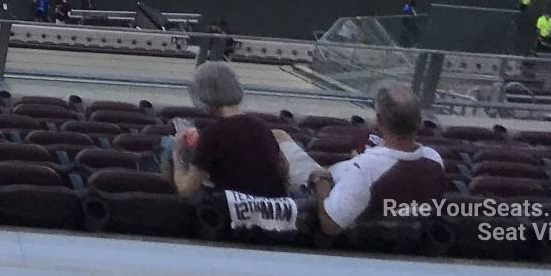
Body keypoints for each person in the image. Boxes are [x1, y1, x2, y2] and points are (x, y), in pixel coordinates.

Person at [312, 85, 447, 234]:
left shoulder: (364, 169)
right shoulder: (434, 159)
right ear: (419, 121)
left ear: (379, 121)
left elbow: (330, 225)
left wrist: (321, 182)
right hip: (410, 242)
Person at [169, 61, 293, 199]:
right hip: (276, 208)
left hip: (237, 212)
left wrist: (177, 154)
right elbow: (284, 168)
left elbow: (186, 190)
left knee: (166, 145)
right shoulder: (261, 126)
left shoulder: (212, 135)